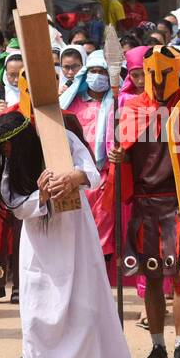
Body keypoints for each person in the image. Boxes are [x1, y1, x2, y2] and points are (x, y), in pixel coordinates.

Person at [0, 111, 133, 358]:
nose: (7, 153)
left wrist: (70, 178)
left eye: (10, 145)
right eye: (3, 148)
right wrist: (44, 194)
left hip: (76, 238)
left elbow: (91, 172)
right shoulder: (10, 164)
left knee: (84, 315)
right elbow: (16, 205)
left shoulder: (59, 139)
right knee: (38, 320)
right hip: (40, 249)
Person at [110, 45, 180, 358]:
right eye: (153, 75)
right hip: (147, 203)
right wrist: (119, 159)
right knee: (151, 273)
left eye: (166, 74)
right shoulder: (132, 109)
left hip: (179, 204)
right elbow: (123, 156)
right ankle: (158, 346)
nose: (160, 81)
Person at [62, 50, 118, 259]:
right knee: (76, 231)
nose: (98, 76)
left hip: (105, 177)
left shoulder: (117, 103)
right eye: (93, 71)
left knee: (102, 229)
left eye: (102, 71)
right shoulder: (72, 102)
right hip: (75, 176)